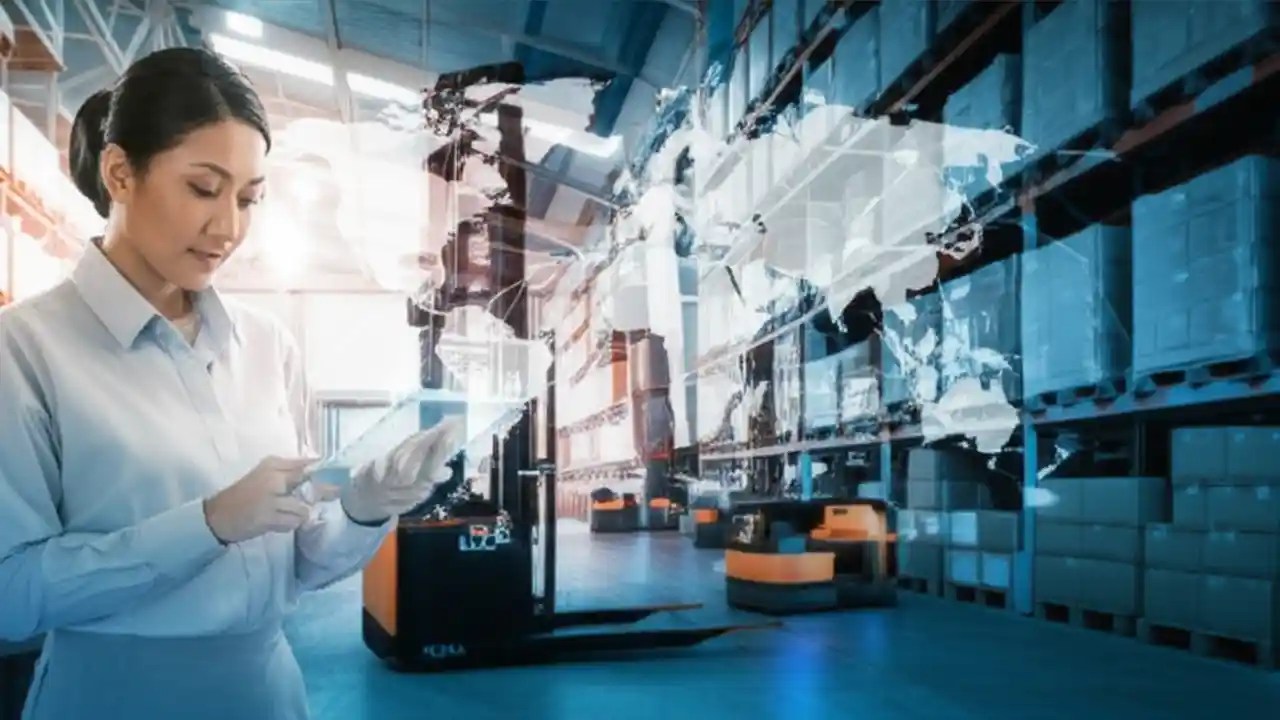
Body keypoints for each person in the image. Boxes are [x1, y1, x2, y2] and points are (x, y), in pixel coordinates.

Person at [0, 47, 458, 720]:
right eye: (204, 189)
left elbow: (297, 564)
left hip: (266, 692)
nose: (230, 229)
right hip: (113, 697)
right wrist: (207, 524)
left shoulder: (268, 346)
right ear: (120, 172)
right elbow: (12, 596)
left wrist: (365, 507)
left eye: (249, 198)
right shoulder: (26, 349)